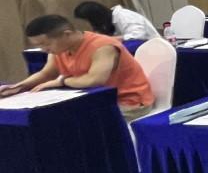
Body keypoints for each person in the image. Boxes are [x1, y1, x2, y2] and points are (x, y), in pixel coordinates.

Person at [2, 14, 154, 119]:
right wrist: (19, 87)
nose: (44, 49)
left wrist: (62, 81)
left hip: (127, 103)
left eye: (45, 44)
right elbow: (46, 74)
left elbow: (94, 80)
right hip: (91, 101)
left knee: (65, 122)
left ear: (67, 34)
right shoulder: (59, 49)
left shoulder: (102, 46)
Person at [72, 0, 160, 41]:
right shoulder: (106, 23)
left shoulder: (124, 16)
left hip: (149, 45)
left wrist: (111, 39)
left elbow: (139, 35)